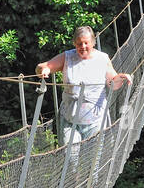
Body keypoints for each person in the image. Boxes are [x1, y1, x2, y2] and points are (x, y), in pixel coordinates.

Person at [36, 25, 133, 156]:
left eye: (86, 43)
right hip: (70, 119)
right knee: (70, 158)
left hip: (96, 119)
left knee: (94, 159)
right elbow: (43, 67)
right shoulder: (67, 57)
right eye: (79, 43)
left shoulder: (102, 58)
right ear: (74, 44)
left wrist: (122, 77)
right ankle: (75, 177)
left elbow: (113, 83)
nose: (83, 46)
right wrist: (44, 70)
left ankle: (93, 177)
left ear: (93, 42)